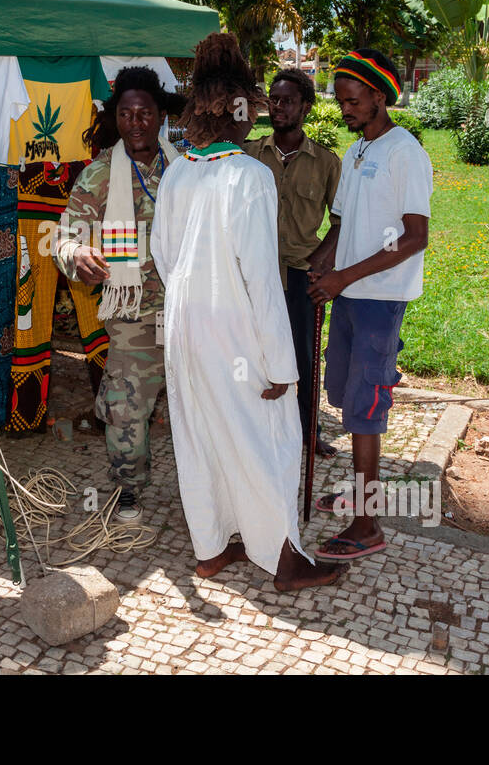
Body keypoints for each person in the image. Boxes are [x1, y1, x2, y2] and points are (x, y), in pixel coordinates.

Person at [151, 33, 345, 591]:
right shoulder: (250, 176)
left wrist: (192, 296)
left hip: (185, 324)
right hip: (236, 329)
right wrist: (282, 366)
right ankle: (285, 562)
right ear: (240, 109)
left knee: (202, 434)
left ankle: (211, 548)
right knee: (269, 437)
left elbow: (163, 254)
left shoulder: (179, 170)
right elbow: (261, 277)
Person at [308, 49, 433, 562]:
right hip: (349, 295)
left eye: (353, 101)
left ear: (380, 96)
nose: (345, 110)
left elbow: (415, 237)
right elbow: (340, 228)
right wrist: (312, 269)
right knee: (343, 395)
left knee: (365, 407)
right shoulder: (357, 150)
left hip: (379, 299)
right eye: (340, 102)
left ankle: (367, 522)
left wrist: (342, 278)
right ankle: (358, 494)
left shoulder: (406, 153)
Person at [54, 67, 183, 523]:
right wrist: (78, 255)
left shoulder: (187, 169)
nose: (136, 122)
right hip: (135, 313)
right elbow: (64, 237)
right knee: (126, 406)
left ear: (160, 116)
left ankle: (209, 490)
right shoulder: (100, 174)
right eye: (126, 114)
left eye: (145, 113)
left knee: (200, 403)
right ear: (117, 119)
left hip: (188, 310)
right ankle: (129, 487)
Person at [243, 67, 342, 459]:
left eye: (287, 100)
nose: (278, 106)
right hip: (255, 271)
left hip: (302, 273)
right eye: (273, 98)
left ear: (306, 106)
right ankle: (256, 426)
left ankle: (308, 431)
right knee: (254, 352)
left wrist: (322, 259)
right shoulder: (249, 154)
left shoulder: (325, 162)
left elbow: (341, 219)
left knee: (303, 355)